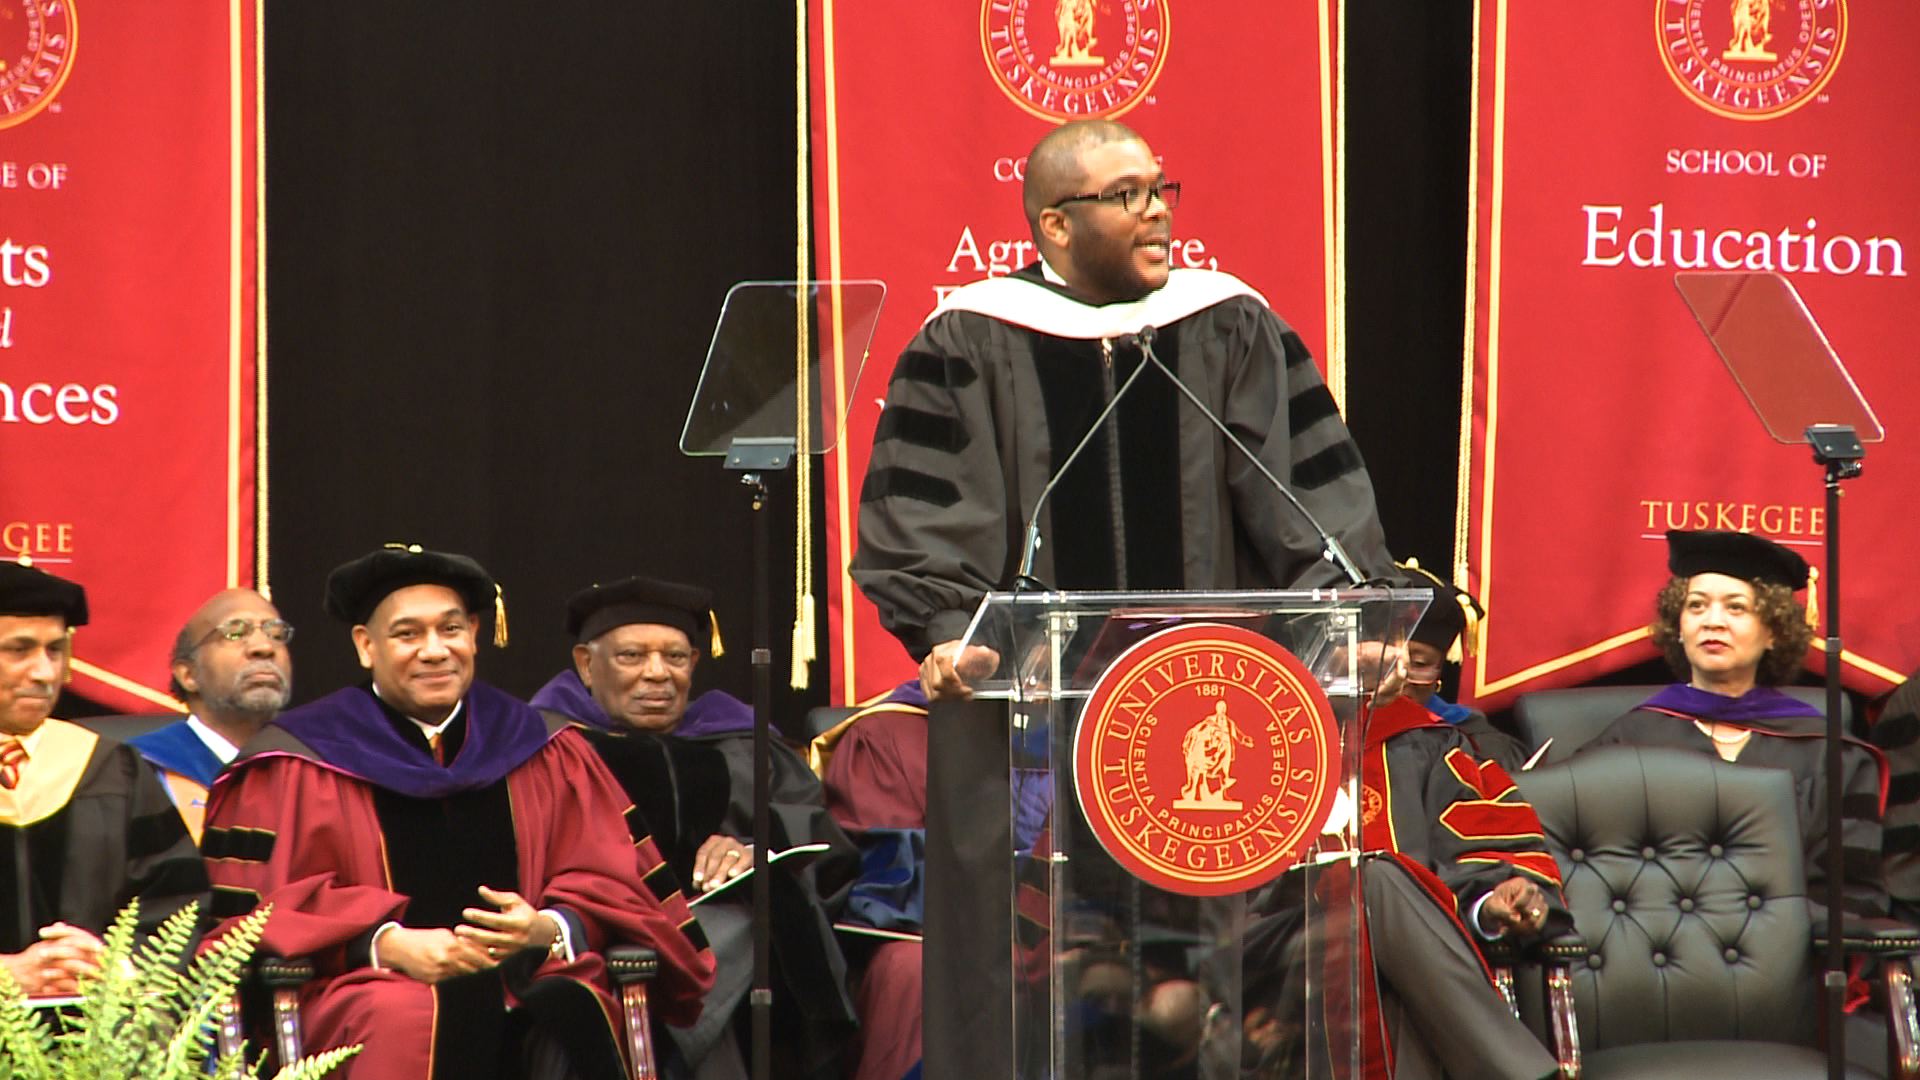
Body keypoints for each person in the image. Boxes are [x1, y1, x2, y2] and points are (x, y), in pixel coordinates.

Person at [848, 118, 1395, 1079]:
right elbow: (923, 523)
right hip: (1027, 721)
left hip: (1212, 701)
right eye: (1128, 194)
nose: (1157, 212)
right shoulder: (967, 339)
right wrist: (952, 633)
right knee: (1033, 997)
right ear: (1056, 225)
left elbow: (1308, 500)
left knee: (1223, 983)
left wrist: (1346, 609)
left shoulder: (1230, 322)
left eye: (1160, 189)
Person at [200, 545, 715, 1080]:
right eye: (407, 634)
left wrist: (548, 927)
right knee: (407, 1016)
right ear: (365, 646)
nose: (434, 651)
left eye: (450, 630)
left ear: (473, 634)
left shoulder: (541, 747)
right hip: (370, 990)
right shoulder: (297, 760)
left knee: (575, 1008)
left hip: (530, 978)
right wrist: (384, 943)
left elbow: (616, 881)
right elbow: (251, 916)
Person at [532, 575, 857, 1080]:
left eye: (676, 658)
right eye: (632, 657)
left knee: (747, 932)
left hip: (730, 941)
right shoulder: (544, 746)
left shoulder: (741, 740)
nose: (658, 674)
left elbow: (820, 841)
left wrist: (757, 851)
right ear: (585, 665)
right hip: (592, 931)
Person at [1585, 529, 1887, 921]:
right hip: (1648, 961)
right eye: (1696, 606)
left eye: (1736, 608)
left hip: (1789, 965)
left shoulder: (1829, 754)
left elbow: (1853, 895)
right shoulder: (1626, 742)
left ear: (1774, 632)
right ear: (1678, 626)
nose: (1713, 622)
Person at [0, 559, 207, 996]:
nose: (45, 673)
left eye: (54, 650)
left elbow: (176, 905)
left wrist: (115, 967)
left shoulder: (113, 769)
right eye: (19, 650)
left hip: (97, 1036)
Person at [817, 681, 930, 1080]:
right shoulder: (886, 733)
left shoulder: (1078, 729)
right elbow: (882, 869)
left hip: (1049, 934)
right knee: (913, 970)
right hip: (926, 935)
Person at [128, 587, 293, 840]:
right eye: (235, 631)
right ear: (188, 675)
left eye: (275, 633)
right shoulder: (136, 772)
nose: (264, 646)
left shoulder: (316, 766)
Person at [1393, 560, 1527, 772]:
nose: (1399, 677)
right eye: (1388, 661)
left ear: (1439, 672)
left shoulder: (1470, 734)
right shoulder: (1333, 727)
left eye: (1419, 664)